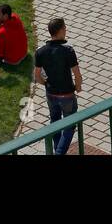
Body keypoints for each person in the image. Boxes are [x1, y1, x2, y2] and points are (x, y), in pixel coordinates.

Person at [34, 17, 82, 156]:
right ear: (60, 31)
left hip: (51, 94)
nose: (66, 30)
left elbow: (37, 75)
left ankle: (57, 150)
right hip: (67, 95)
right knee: (70, 125)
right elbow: (77, 74)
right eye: (65, 28)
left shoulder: (40, 52)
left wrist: (45, 84)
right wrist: (78, 87)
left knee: (55, 122)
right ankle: (59, 153)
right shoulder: (68, 51)